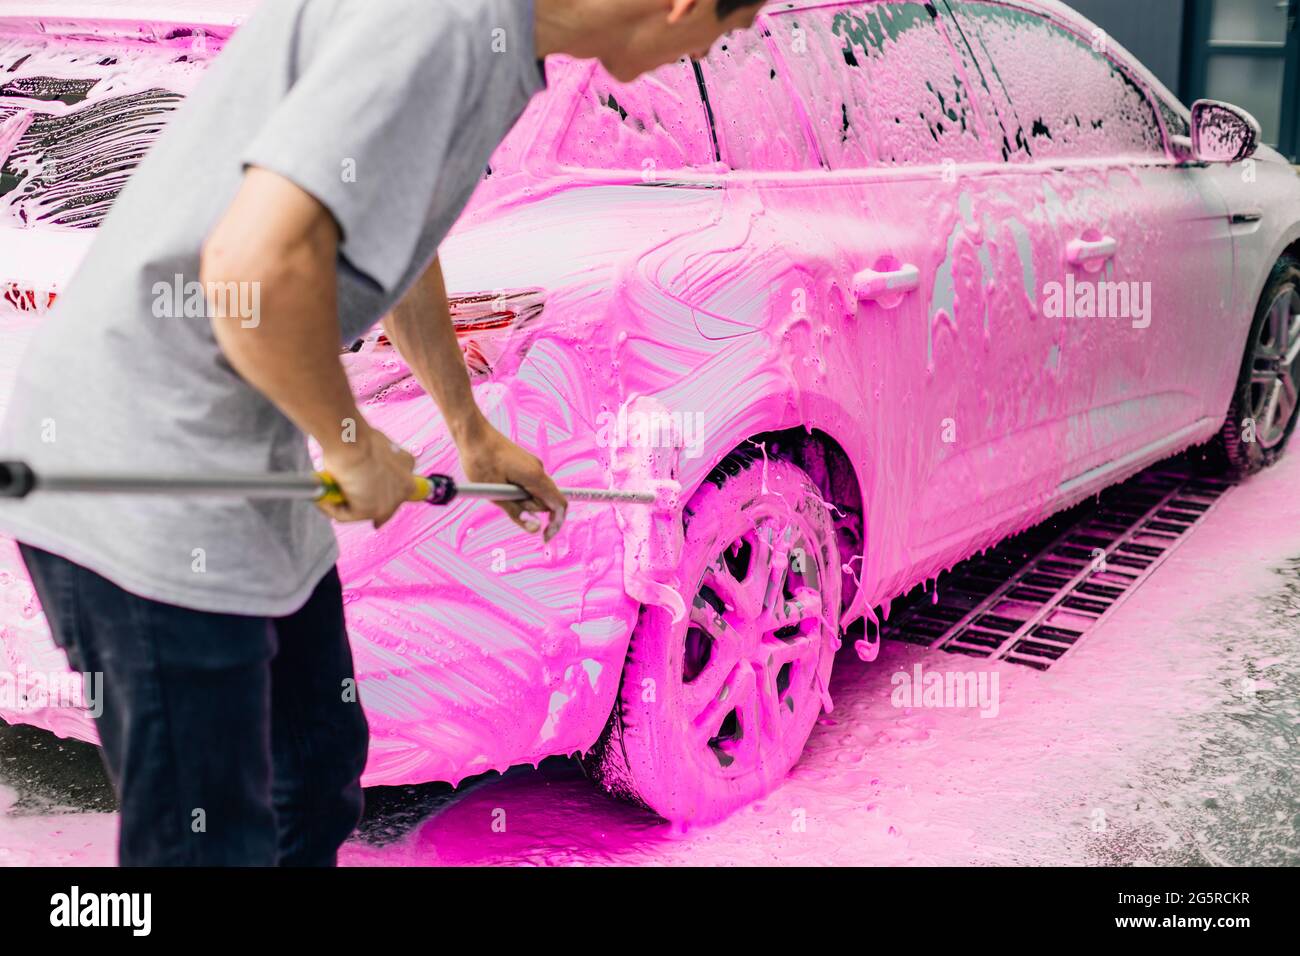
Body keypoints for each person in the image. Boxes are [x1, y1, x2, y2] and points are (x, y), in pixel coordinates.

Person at [0, 0, 765, 866]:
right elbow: (253, 270)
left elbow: (393, 236)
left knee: (315, 775)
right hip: (141, 467)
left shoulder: (495, 50)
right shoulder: (434, 26)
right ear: (684, 7)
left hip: (246, 459)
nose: (714, 48)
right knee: (211, 837)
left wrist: (467, 428)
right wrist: (353, 440)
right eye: (726, 30)